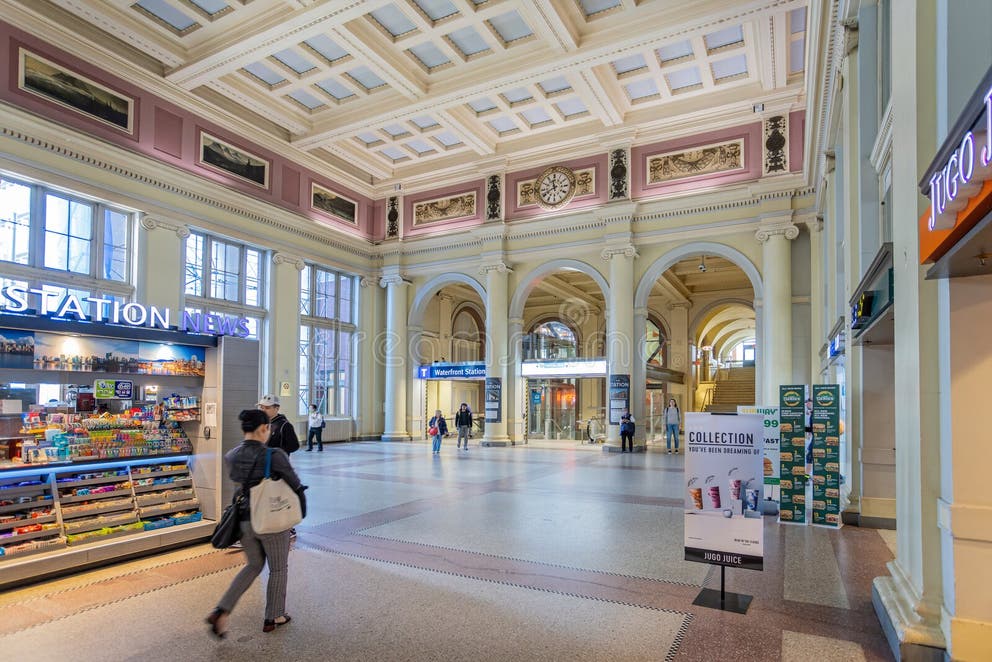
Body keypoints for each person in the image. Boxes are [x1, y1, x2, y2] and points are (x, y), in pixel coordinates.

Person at [206, 409, 307, 638]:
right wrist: (302, 505)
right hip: (271, 520)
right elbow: (295, 484)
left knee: (253, 565)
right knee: (278, 569)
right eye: (268, 428)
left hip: (244, 520)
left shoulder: (231, 455)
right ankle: (274, 616)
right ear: (264, 429)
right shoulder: (274, 455)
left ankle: (221, 611)